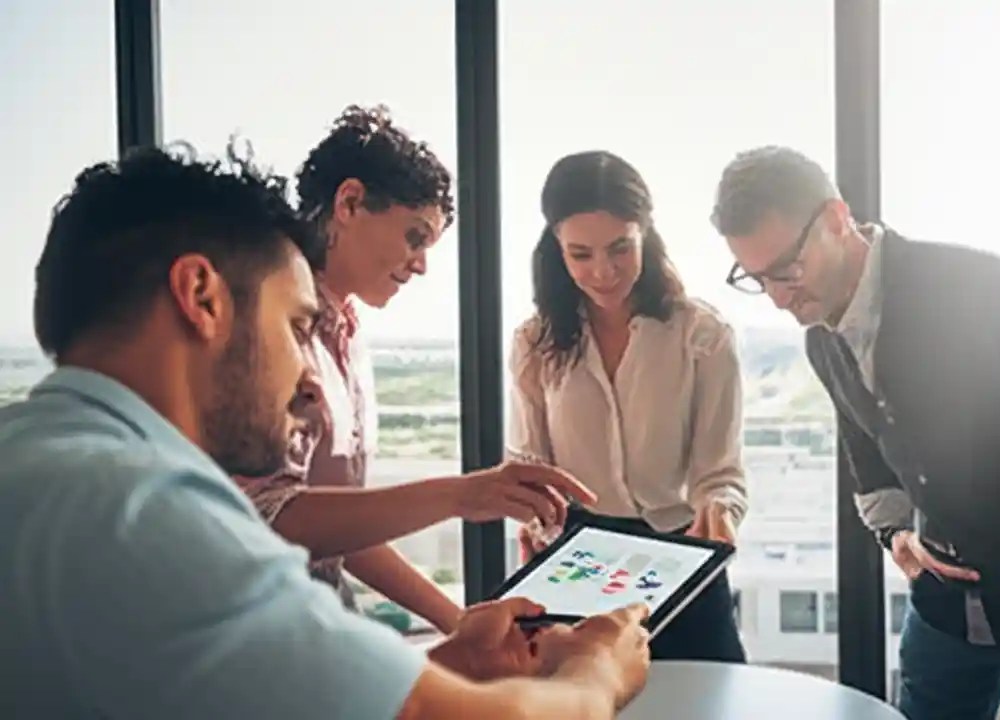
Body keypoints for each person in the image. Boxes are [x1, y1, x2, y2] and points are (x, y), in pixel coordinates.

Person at [0, 146, 649, 719]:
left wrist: (454, 662)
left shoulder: (38, 466)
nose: (309, 384)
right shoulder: (145, 512)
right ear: (201, 296)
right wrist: (597, 667)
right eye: (293, 326)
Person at [713, 146, 1000, 719]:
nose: (777, 297)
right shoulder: (822, 341)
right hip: (946, 606)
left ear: (836, 219)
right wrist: (896, 533)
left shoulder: (980, 287)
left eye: (787, 270)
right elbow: (866, 450)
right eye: (756, 279)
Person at [236, 105, 588, 632]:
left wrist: (459, 622)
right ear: (349, 203)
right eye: (415, 236)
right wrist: (460, 495)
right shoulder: (271, 329)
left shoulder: (348, 334)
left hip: (320, 617)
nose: (421, 264)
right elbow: (264, 518)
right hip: (262, 628)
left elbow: (344, 532)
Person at [508, 150, 749, 663]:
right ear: (556, 248)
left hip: (681, 557)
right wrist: (534, 521)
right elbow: (531, 466)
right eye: (581, 254)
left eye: (621, 248)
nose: (604, 271)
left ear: (646, 234)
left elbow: (719, 472)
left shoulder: (702, 336)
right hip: (579, 563)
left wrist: (719, 510)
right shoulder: (535, 344)